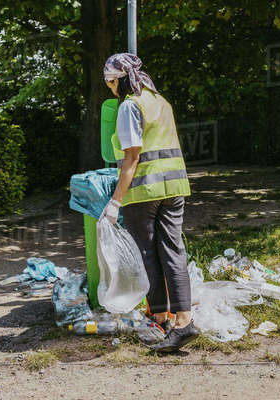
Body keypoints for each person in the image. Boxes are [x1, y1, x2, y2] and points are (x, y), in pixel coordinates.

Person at [99, 53, 199, 353]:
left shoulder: (130, 106)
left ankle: (160, 316)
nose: (110, 88)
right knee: (172, 250)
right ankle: (181, 321)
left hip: (144, 191)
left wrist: (115, 202)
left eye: (110, 82)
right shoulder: (160, 101)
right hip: (175, 186)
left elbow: (132, 157)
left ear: (119, 80)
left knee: (147, 253)